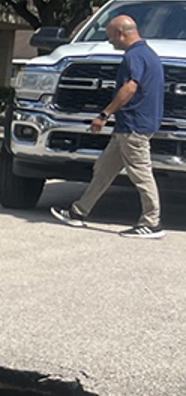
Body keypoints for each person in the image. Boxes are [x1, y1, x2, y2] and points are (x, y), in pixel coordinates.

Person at [50, 14, 165, 238]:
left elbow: (130, 87)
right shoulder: (148, 54)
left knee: (141, 174)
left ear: (121, 34)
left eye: (110, 36)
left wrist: (104, 114)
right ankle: (78, 212)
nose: (109, 41)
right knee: (104, 169)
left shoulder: (134, 56)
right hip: (128, 126)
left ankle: (152, 223)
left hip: (134, 126)